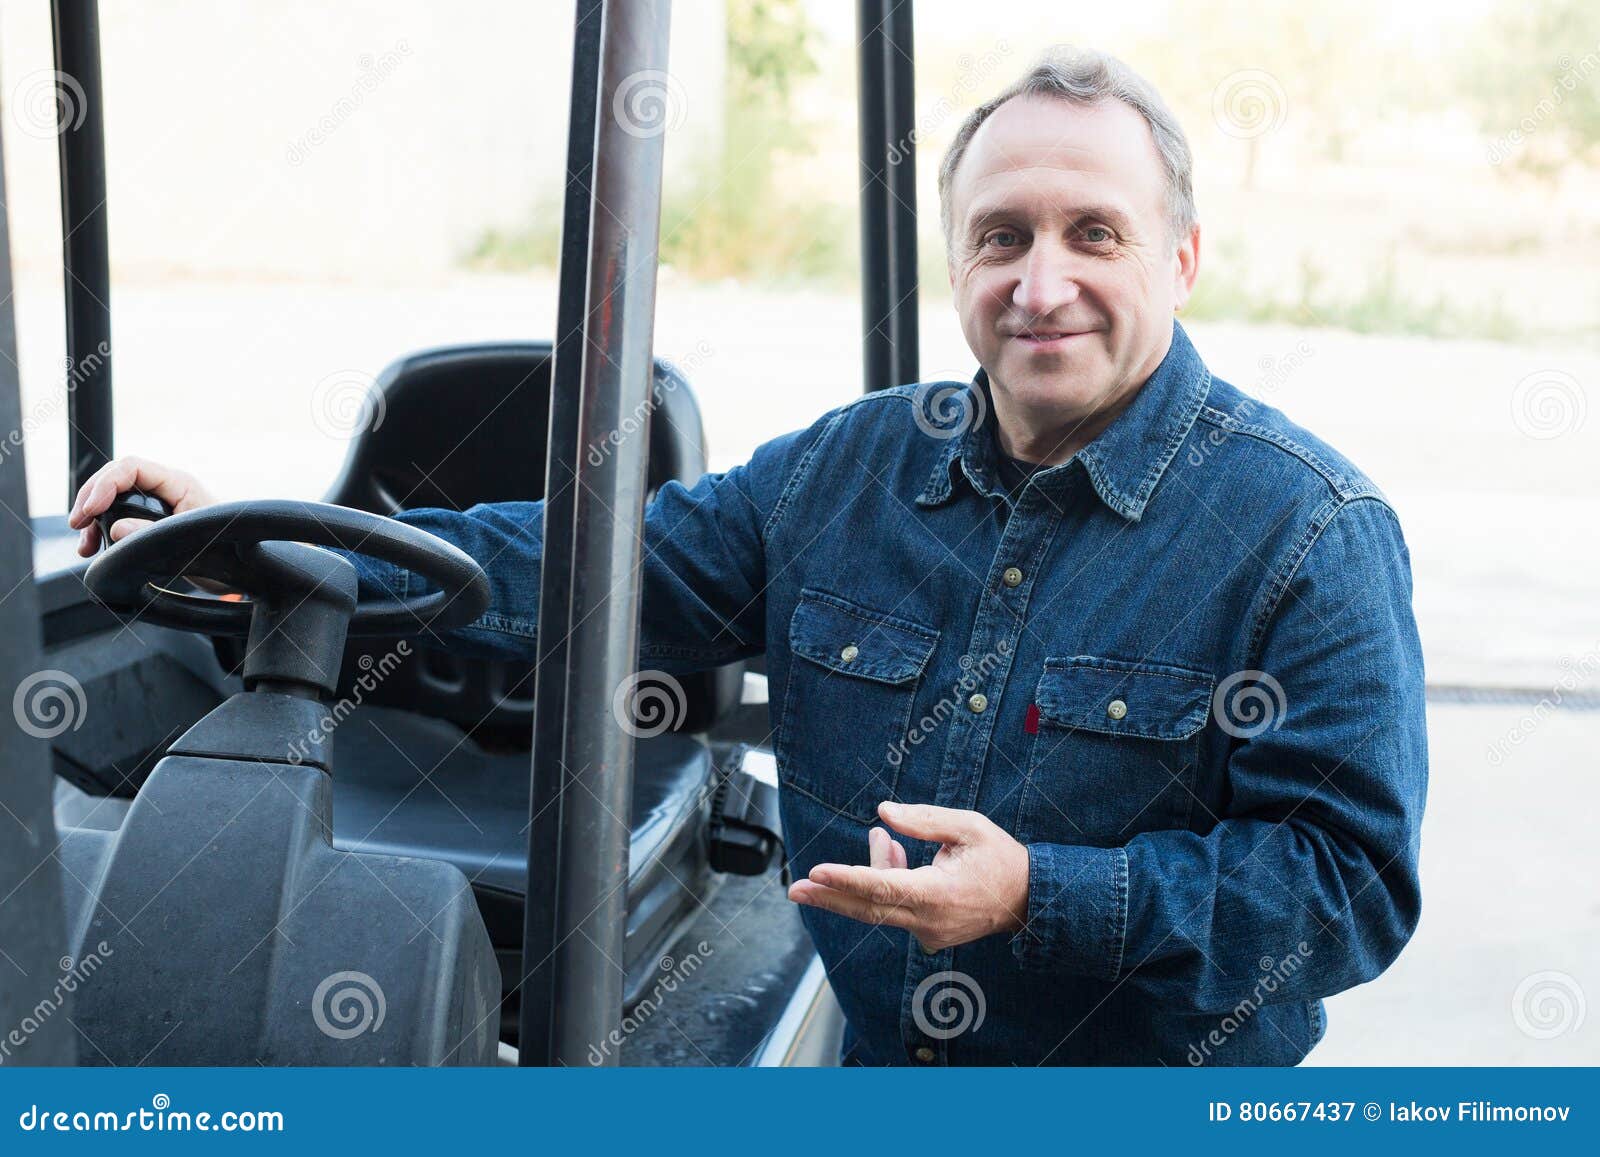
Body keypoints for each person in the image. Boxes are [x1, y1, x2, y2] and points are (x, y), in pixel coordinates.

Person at [68, 47, 1426, 1066]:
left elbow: (1350, 893)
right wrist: (278, 548)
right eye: (1002, 235)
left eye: (1096, 234)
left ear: (1182, 258)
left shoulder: (1309, 535)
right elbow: (588, 571)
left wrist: (1040, 896)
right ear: (959, 259)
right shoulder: (845, 474)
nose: (1041, 281)